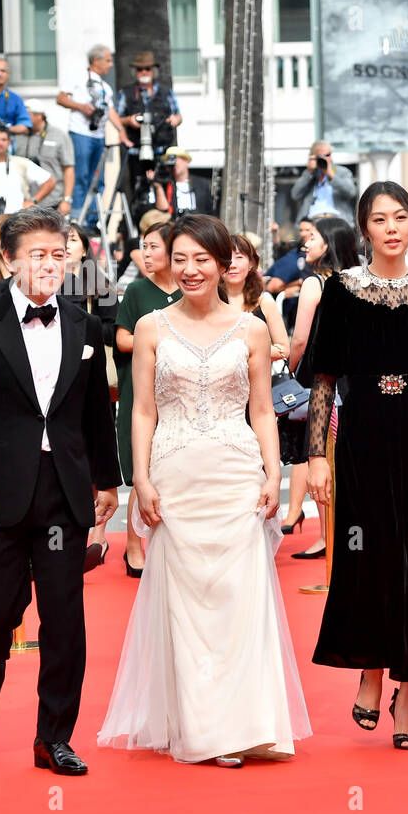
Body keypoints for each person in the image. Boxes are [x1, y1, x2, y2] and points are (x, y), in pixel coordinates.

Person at [98, 214, 311, 767]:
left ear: (224, 264)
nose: (191, 270)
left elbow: (263, 409)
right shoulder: (149, 326)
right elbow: (141, 409)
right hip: (174, 475)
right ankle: (201, 727)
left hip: (236, 471)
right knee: (186, 603)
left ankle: (246, 724)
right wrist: (140, 478)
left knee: (240, 599)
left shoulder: (251, 329)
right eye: (181, 258)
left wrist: (271, 473)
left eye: (202, 259)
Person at [0, 207, 119, 774]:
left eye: (59, 252)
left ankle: (54, 737)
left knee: (64, 617)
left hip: (64, 492)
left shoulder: (85, 325)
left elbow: (96, 413)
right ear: (10, 259)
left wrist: (107, 480)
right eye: (39, 254)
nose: (51, 263)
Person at [306, 181, 408, 752]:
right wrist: (317, 457)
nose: (392, 228)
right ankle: (372, 672)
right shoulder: (340, 291)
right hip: (364, 436)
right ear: (364, 229)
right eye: (379, 220)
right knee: (366, 558)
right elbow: (323, 378)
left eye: (400, 218)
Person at [281, 215, 357, 554]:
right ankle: (349, 536)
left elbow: (299, 340)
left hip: (320, 380)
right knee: (348, 462)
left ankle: (328, 539)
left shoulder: (316, 283)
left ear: (329, 243)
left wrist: (290, 370)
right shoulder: (360, 279)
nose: (306, 243)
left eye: (313, 237)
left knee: (321, 458)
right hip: (355, 381)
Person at [115, 213, 180, 576]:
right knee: (144, 470)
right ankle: (132, 546)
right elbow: (121, 338)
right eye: (144, 246)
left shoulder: (192, 287)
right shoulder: (138, 291)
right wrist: (157, 341)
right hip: (143, 392)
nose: (146, 252)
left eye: (154, 246)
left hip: (180, 392)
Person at [62, 223, 118, 571]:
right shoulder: (43, 279)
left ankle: (98, 535)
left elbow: (113, 327)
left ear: (85, 248)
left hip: (89, 375)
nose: (66, 246)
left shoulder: (98, 282)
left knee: (95, 451)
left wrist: (86, 323)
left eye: (71, 240)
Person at [57, 45, 133, 229]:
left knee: (98, 180)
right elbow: (61, 98)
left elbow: (110, 111)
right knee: (81, 176)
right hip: (81, 133)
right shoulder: (77, 77)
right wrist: (82, 107)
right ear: (95, 61)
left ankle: (92, 220)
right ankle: (77, 219)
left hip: (99, 136)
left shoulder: (105, 87)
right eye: (107, 60)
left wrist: (122, 133)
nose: (111, 65)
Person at [114, 51, 182, 196]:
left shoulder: (166, 92)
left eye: (147, 69)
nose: (144, 72)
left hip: (161, 149)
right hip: (136, 150)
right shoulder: (126, 93)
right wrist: (129, 120)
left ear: (153, 71)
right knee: (138, 190)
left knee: (164, 187)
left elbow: (178, 115)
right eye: (140, 69)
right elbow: (117, 118)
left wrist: (175, 120)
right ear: (135, 72)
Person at [225, 233, 289, 363]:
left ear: (251, 264)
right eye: (227, 258)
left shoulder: (264, 302)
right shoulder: (210, 302)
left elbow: (284, 349)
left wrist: (247, 350)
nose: (232, 264)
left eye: (239, 257)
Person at [13, 108, 76, 218]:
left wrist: (67, 199)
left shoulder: (58, 135)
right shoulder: (18, 135)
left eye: (28, 115)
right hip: (26, 203)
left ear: (39, 116)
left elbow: (68, 168)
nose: (23, 119)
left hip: (53, 202)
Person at [290, 140, 357, 226]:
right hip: (312, 222)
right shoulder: (310, 174)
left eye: (327, 155)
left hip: (338, 221)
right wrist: (309, 173)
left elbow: (351, 193)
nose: (325, 159)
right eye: (320, 156)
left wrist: (331, 175)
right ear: (313, 157)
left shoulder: (342, 172)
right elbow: (295, 195)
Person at [150, 148, 215, 217]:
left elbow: (209, 210)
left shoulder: (202, 183)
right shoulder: (165, 184)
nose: (173, 164)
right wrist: (158, 185)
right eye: (169, 160)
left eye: (175, 159)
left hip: (198, 224)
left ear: (186, 161)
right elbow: (162, 210)